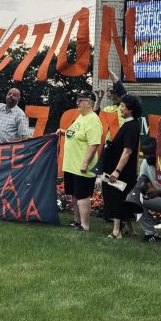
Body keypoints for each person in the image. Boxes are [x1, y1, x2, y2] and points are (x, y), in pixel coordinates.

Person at [58, 91, 101, 231]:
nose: (78, 102)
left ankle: (85, 225)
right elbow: (77, 135)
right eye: (78, 99)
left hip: (82, 166)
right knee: (75, 195)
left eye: (81, 100)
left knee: (83, 196)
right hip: (72, 165)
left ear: (89, 103)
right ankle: (77, 221)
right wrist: (63, 132)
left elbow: (94, 144)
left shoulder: (93, 120)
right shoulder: (81, 117)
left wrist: (85, 163)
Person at [100, 94, 141, 239]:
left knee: (117, 198)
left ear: (130, 109)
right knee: (123, 199)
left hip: (123, 171)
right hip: (121, 169)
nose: (120, 108)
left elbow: (127, 151)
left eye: (123, 106)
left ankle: (116, 231)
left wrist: (117, 171)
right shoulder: (129, 124)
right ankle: (130, 229)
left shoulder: (131, 126)